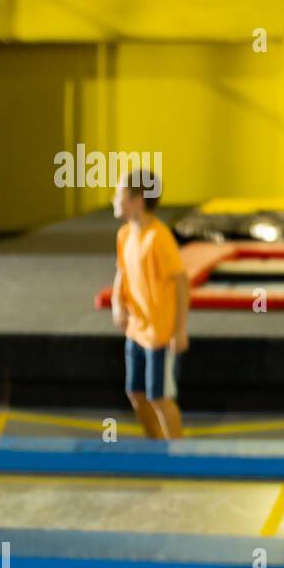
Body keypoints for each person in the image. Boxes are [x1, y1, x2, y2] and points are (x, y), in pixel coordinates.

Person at [112, 173, 189, 440]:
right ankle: (155, 447)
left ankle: (178, 454)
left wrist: (179, 330)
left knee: (160, 397)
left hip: (160, 333)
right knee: (136, 393)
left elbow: (181, 283)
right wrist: (116, 302)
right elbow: (122, 270)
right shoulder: (124, 235)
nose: (114, 199)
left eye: (119, 193)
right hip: (136, 330)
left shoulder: (159, 237)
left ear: (137, 201)